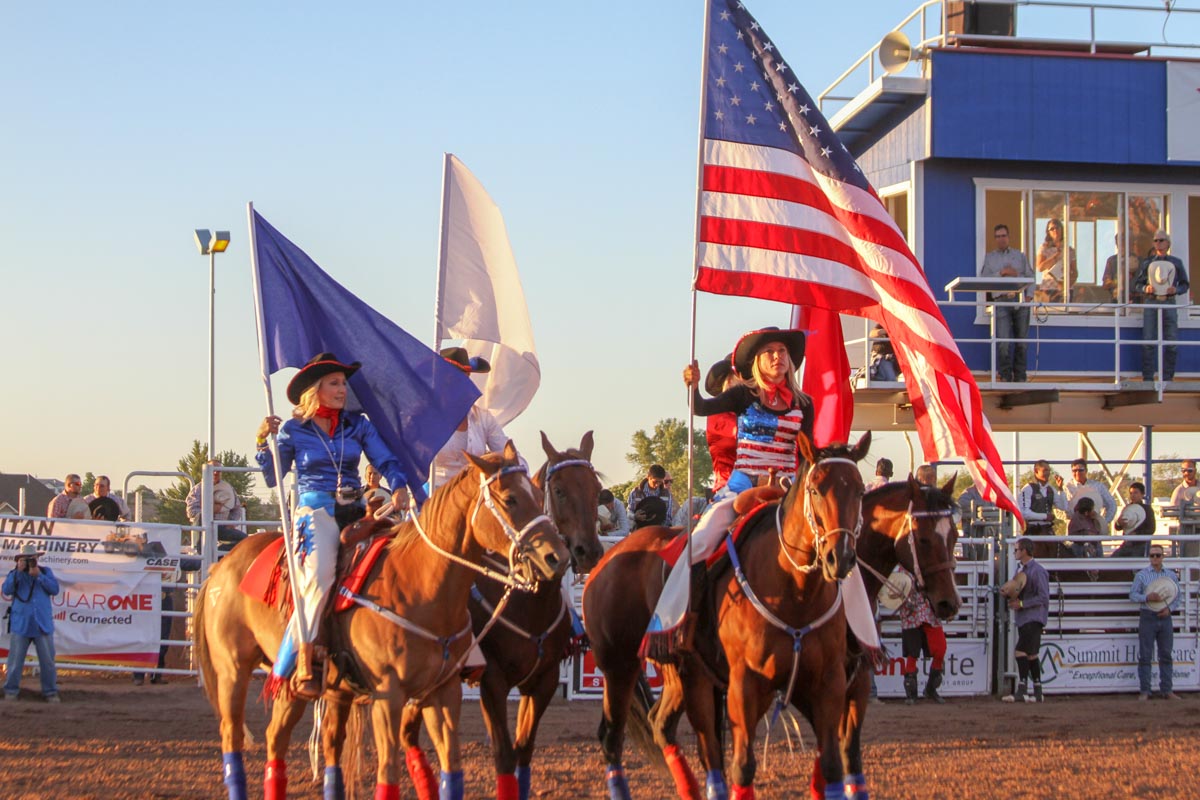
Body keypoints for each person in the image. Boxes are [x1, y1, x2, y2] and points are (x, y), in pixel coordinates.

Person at [256, 353, 413, 699]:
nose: (343, 389)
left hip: (357, 509)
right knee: (321, 573)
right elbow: (272, 476)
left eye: (343, 383)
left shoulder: (358, 425)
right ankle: (304, 660)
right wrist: (263, 443)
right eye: (335, 383)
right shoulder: (293, 430)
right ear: (316, 389)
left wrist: (399, 484)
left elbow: (384, 459)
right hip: (316, 512)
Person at [430, 347, 514, 488]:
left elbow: (508, 454)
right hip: (433, 498)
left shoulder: (483, 417)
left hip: (473, 496)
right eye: (454, 378)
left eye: (465, 378)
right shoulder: (423, 417)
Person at [3, 544, 61, 702]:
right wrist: (18, 572)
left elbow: (55, 589)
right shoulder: (15, 574)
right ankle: (11, 690)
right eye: (26, 559)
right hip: (21, 624)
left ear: (37, 558)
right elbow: (6, 590)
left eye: (32, 558)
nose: (29, 561)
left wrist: (38, 576)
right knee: (15, 661)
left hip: (41, 623)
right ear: (19, 560)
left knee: (47, 661)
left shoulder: (45, 572)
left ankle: (50, 692)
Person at [980, 223, 1034, 381]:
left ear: (1008, 237)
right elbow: (984, 279)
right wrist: (1002, 273)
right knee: (1003, 342)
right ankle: (1005, 376)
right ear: (995, 239)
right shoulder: (990, 258)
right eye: (998, 236)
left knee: (1022, 342)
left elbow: (1031, 276)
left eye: (1003, 236)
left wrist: (1028, 296)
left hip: (1020, 300)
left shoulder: (1020, 256)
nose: (1001, 239)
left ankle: (1020, 377)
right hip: (1001, 301)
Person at [1133, 229, 1189, 382]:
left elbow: (1185, 284)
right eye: (1156, 240)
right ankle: (1148, 377)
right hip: (1151, 301)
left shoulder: (1176, 262)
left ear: (1168, 243)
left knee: (1171, 341)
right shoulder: (1147, 262)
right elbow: (1137, 284)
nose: (1158, 243)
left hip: (1169, 301)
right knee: (1149, 340)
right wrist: (1146, 288)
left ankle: (1167, 377)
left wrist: (1176, 290)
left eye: (1161, 240)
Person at [1129, 545, 1182, 700]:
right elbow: (1132, 594)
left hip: (1165, 616)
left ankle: (1167, 689)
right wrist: (1146, 598)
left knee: (1165, 654)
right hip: (1148, 615)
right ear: (1149, 558)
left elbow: (1178, 596)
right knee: (1145, 655)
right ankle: (1145, 690)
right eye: (1152, 556)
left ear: (1162, 557)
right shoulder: (1142, 575)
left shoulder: (1171, 575)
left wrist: (1169, 609)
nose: (1155, 559)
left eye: (1157, 555)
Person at [1002, 538, 1049, 703]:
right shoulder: (1024, 570)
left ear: (1024, 551)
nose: (1015, 552)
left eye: (1017, 550)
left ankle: (1022, 689)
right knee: (1031, 655)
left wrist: (1021, 603)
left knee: (1020, 651)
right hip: (1028, 617)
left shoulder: (1037, 571)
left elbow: (1043, 597)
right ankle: (1037, 691)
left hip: (1033, 617)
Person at [896, 566, 948, 705]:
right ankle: (912, 694)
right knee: (912, 653)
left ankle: (930, 689)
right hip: (911, 611)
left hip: (929, 610)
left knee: (940, 649)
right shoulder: (905, 565)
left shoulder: (930, 561)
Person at [185, 460, 247, 551]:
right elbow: (191, 511)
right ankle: (202, 555)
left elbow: (236, 508)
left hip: (222, 526)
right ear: (206, 472)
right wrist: (211, 510)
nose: (215, 473)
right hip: (203, 527)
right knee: (199, 519)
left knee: (244, 540)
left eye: (218, 470)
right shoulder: (198, 489)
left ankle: (218, 554)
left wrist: (231, 522)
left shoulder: (227, 488)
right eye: (212, 470)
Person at [703, 355, 739, 492]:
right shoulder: (717, 413)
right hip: (728, 488)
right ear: (729, 380)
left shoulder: (753, 410)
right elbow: (744, 433)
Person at [1057, 458, 1117, 533]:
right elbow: (1058, 511)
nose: (1077, 473)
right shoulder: (1066, 488)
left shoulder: (1098, 486)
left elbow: (1112, 504)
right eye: (1074, 471)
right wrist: (1073, 516)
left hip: (1094, 528)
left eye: (1080, 470)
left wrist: (1103, 522)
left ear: (1086, 471)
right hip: (1075, 530)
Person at [1018, 460, 1067, 539]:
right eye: (1045, 470)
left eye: (1049, 470)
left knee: (1059, 549)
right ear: (1036, 471)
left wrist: (1060, 489)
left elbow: (1063, 507)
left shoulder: (1051, 489)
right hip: (1033, 530)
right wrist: (1045, 516)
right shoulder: (1028, 488)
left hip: (1048, 529)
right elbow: (1024, 513)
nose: (1048, 473)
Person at [1035, 218, 1076, 303]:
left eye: (1057, 227)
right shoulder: (1044, 248)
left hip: (1065, 288)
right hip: (1048, 287)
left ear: (1062, 229)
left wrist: (1066, 285)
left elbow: (1074, 272)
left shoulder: (1069, 250)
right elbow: (1040, 267)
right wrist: (1055, 256)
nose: (1055, 230)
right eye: (1052, 229)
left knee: (1064, 313)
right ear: (1048, 232)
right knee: (1049, 314)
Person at [1111, 481, 1155, 559]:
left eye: (1135, 493)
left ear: (1142, 494)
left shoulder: (1147, 509)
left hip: (1139, 545)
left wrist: (1137, 534)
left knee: (1134, 566)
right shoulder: (1127, 508)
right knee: (1112, 561)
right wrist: (1119, 523)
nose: (1133, 496)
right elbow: (1117, 527)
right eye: (1131, 493)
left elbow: (1151, 529)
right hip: (1126, 543)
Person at [1101, 231, 1139, 303]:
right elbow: (1105, 284)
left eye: (1125, 241)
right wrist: (1116, 283)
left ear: (1130, 243)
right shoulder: (1112, 261)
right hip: (1116, 300)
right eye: (1119, 241)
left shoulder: (1137, 260)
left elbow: (1140, 282)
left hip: (1134, 301)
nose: (1122, 244)